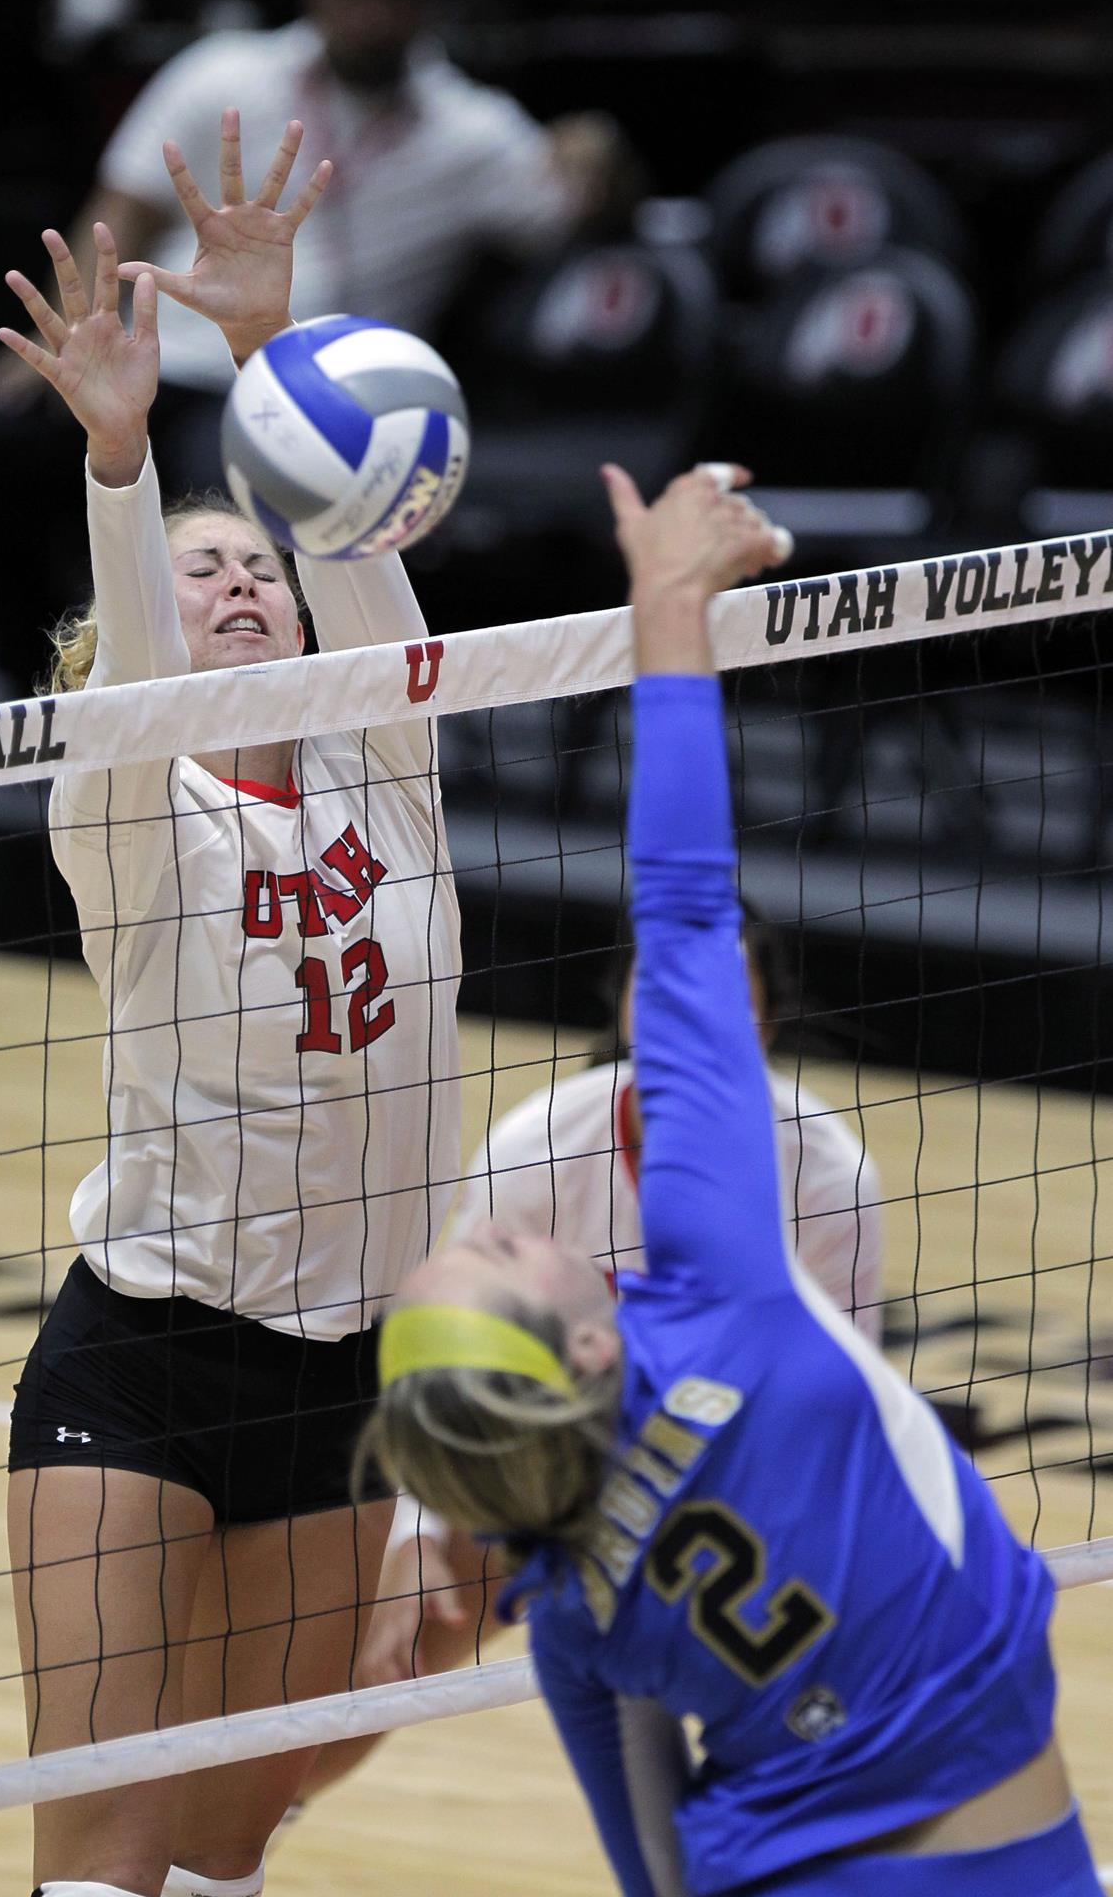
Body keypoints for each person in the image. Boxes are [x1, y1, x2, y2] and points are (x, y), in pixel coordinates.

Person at [357, 462, 1099, 1897]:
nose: (509, 1231)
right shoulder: (737, 1304)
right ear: (585, 1334)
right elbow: (684, 897)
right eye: (502, 1255)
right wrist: (668, 605)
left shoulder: (572, 1618)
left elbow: (648, 1860)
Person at [0, 114, 461, 1897]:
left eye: (256, 561)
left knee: (219, 1854)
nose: (243, 576)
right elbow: (122, 675)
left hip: (345, 1377)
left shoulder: (389, 770)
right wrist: (124, 464)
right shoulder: (127, 814)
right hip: (146, 1359)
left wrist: (270, 353)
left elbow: (362, 563)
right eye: (206, 571)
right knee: (101, 1854)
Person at [0, 0, 637, 691]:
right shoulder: (224, 72)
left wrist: (604, 154)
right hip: (159, 350)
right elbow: (121, 213)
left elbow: (582, 203)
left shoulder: (473, 134)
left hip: (304, 388)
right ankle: (29, 693)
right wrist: (64, 342)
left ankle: (226, 708)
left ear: (423, 9)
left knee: (210, 477)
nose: (369, 16)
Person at [304, 920, 884, 1800]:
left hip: (718, 1489)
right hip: (535, 1460)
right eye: (655, 986)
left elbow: (836, 1404)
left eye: (717, 990)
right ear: (621, 1004)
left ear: (761, 1024)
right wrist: (417, 1535)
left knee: (811, 1713)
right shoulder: (545, 1137)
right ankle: (242, 1848)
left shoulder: (823, 1173)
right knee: (379, 1664)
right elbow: (444, 1359)